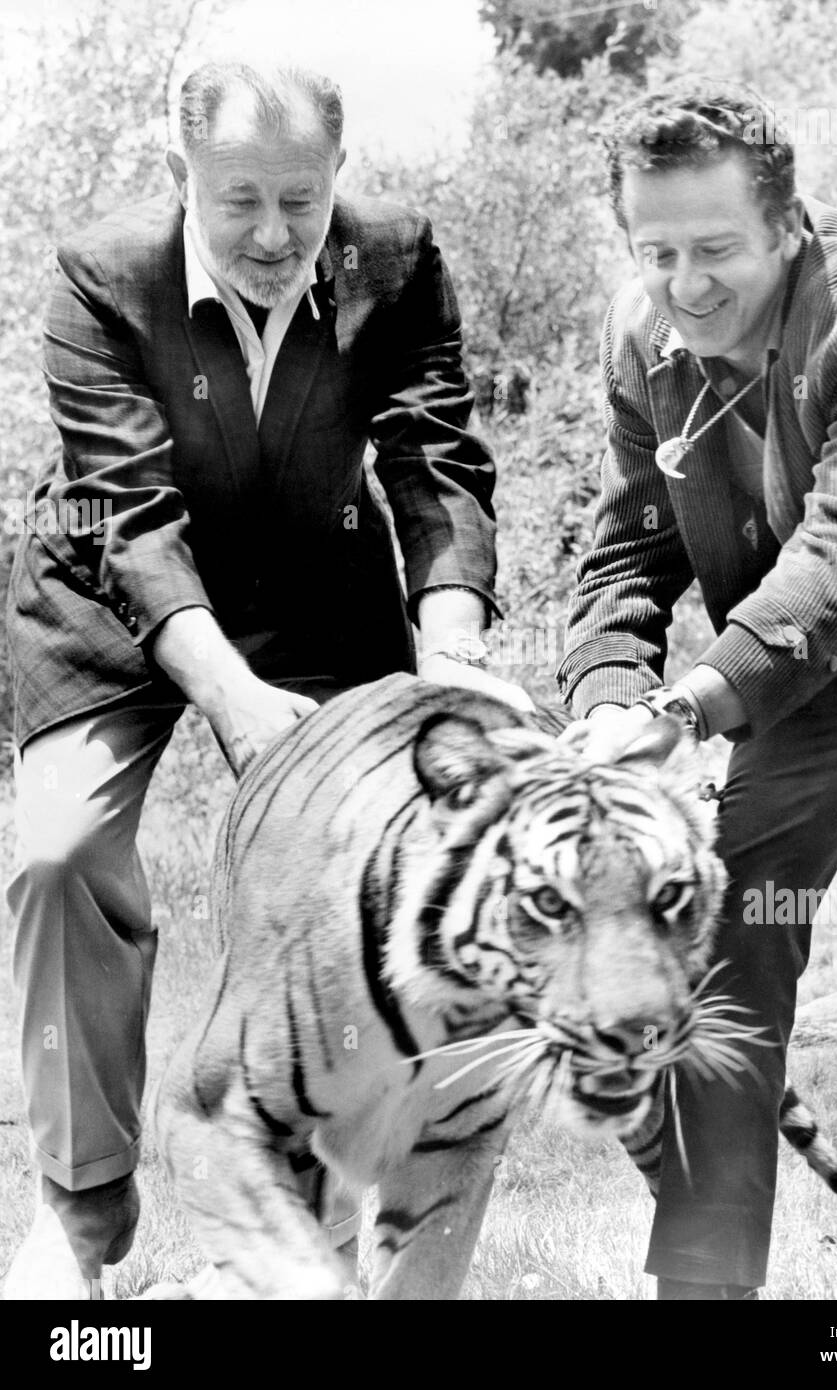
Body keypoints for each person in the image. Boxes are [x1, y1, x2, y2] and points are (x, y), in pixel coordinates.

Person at [3, 60, 530, 1300]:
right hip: (110, 597)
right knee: (58, 851)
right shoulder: (101, 271)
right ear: (179, 171)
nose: (273, 235)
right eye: (238, 200)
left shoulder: (395, 258)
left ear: (338, 177)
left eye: (300, 200)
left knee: (373, 867)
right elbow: (129, 519)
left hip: (319, 589)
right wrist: (234, 704)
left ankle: (319, 1208)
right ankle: (80, 1206)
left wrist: (451, 651)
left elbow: (437, 461)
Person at [558, 80, 837, 1300]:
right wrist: (608, 696)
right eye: (656, 251)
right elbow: (626, 549)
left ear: (788, 225)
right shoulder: (639, 336)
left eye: (716, 249)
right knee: (729, 915)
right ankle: (705, 1287)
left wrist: (692, 703)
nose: (685, 283)